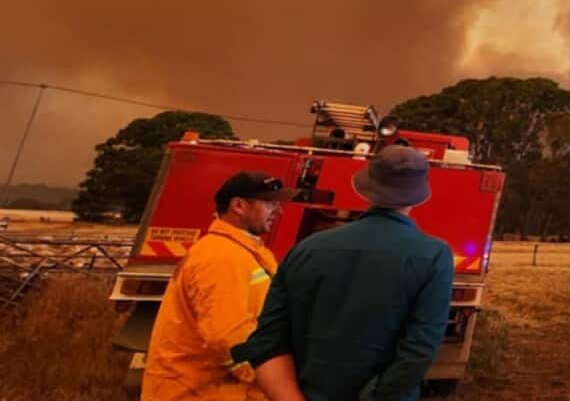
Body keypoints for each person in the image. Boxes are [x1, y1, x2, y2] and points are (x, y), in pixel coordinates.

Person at [232, 145, 454, 401]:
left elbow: (268, 342)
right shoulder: (434, 256)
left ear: (366, 188)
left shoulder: (306, 249)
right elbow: (418, 352)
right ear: (419, 195)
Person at [141, 171, 296, 401]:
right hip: (201, 392)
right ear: (239, 206)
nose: (278, 210)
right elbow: (228, 337)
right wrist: (276, 382)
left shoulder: (246, 250)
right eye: (269, 203)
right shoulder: (221, 257)